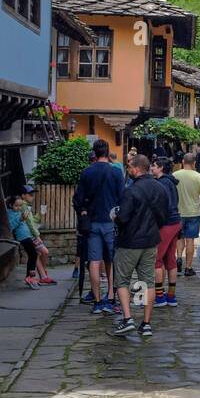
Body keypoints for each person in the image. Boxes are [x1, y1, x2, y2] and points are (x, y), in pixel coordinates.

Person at [111, 153, 170, 338]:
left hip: (130, 241)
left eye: (129, 167)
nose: (128, 170)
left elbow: (123, 218)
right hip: (150, 240)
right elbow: (163, 215)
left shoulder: (131, 190)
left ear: (136, 168)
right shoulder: (159, 188)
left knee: (122, 280)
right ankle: (145, 323)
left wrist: (115, 217)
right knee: (146, 281)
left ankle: (127, 319)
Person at [73, 139, 125, 315]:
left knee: (94, 262)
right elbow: (121, 198)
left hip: (93, 222)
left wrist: (83, 211)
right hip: (111, 222)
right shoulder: (116, 173)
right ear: (108, 152)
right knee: (112, 260)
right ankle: (110, 297)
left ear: (94, 153)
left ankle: (97, 300)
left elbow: (78, 199)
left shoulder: (87, 172)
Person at [150, 156, 183, 307]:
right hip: (176, 222)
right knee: (170, 259)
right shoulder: (171, 182)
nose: (152, 168)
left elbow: (162, 206)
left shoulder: (160, 184)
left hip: (166, 223)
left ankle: (159, 297)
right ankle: (171, 296)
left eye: (154, 166)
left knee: (156, 260)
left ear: (161, 168)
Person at [173, 151, 200, 278]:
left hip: (178, 212)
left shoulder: (175, 175)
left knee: (179, 238)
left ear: (183, 162)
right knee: (190, 240)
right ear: (194, 163)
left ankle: (178, 258)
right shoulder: (198, 177)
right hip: (193, 212)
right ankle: (188, 267)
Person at [7, 188, 52, 288]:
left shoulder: (20, 211)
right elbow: (11, 226)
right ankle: (30, 276)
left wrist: (39, 215)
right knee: (34, 254)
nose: (18, 208)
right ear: (11, 205)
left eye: (19, 206)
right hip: (23, 237)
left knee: (34, 254)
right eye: (16, 206)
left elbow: (29, 222)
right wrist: (20, 219)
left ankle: (31, 276)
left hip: (27, 236)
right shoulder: (10, 213)